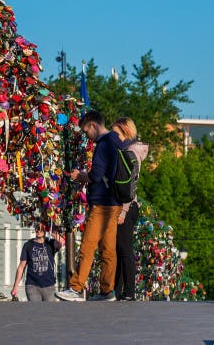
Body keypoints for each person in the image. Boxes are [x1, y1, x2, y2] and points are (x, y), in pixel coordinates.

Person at [56, 110, 123, 302]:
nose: (88, 137)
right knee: (108, 250)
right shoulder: (117, 141)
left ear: (93, 126)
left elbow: (96, 175)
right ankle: (107, 290)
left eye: (86, 132)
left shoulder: (103, 145)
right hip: (114, 202)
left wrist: (81, 176)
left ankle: (76, 288)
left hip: (101, 203)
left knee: (87, 246)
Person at [111, 117, 148, 301]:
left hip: (127, 207)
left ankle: (129, 292)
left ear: (125, 131)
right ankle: (117, 291)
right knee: (119, 249)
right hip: (127, 206)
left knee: (124, 250)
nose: (114, 137)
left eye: (116, 133)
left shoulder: (130, 152)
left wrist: (123, 211)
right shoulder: (128, 150)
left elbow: (129, 185)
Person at [11, 224, 64, 302]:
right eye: (37, 228)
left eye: (41, 229)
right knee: (35, 311)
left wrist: (53, 233)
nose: (38, 231)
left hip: (49, 286)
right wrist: (15, 287)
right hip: (32, 286)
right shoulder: (28, 245)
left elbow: (61, 243)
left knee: (49, 312)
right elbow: (21, 266)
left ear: (45, 230)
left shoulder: (50, 243)